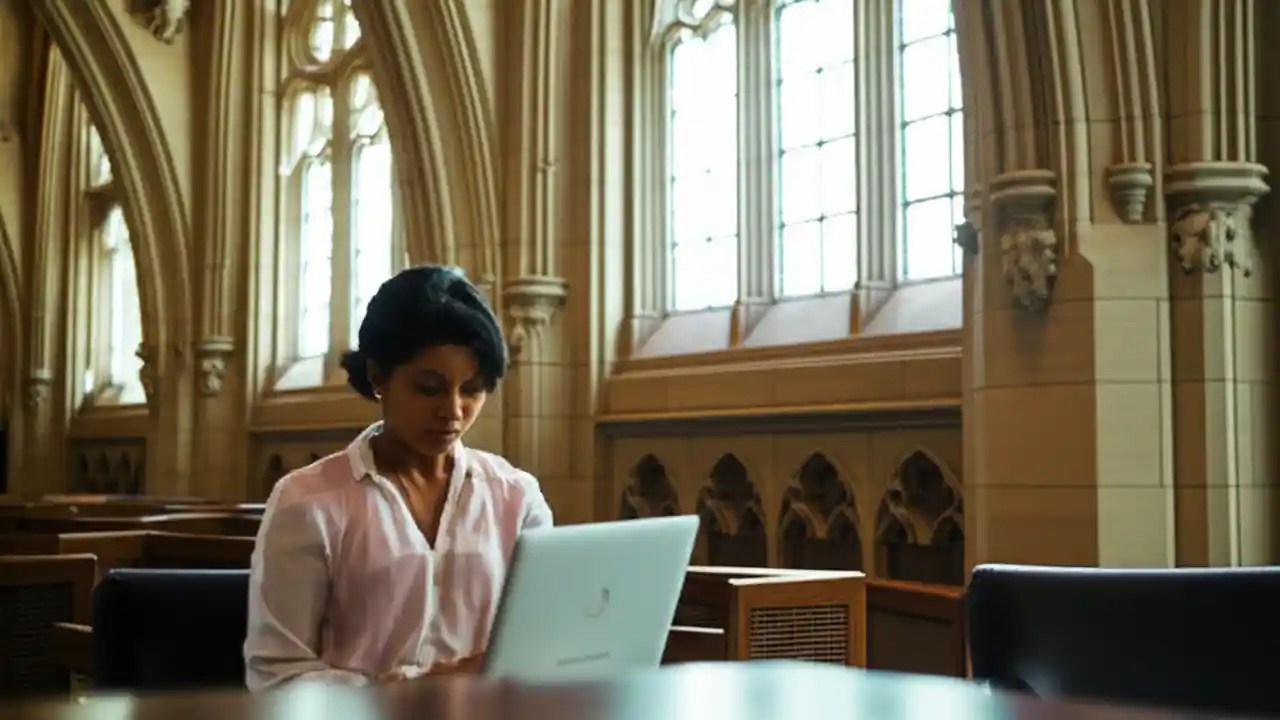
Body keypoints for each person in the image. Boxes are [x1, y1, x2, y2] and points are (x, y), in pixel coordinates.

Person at [244, 265, 553, 690]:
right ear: (378, 377)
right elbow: (276, 673)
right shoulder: (308, 500)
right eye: (430, 388)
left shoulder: (516, 497)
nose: (453, 411)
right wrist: (407, 693)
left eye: (472, 389)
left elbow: (543, 647)